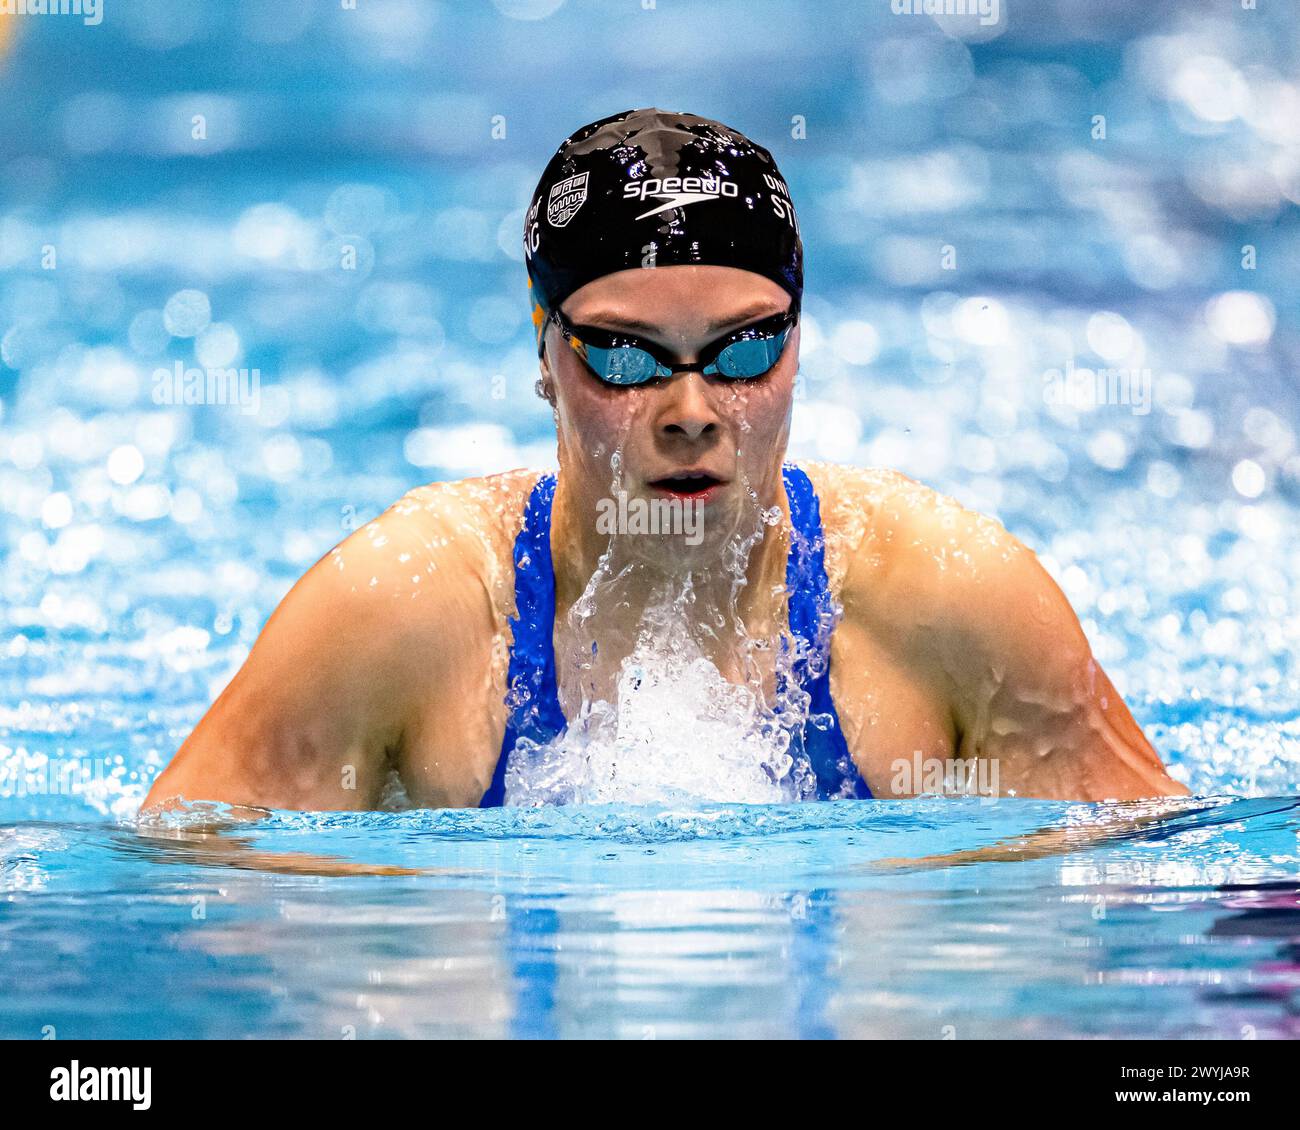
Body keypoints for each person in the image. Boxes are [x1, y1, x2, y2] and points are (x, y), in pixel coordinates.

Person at [142, 107, 1186, 814]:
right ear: (545, 349)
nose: (691, 409)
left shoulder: (953, 601)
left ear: (800, 337)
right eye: (626, 356)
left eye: (744, 348)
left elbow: (1169, 921)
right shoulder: (402, 609)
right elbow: (171, 908)